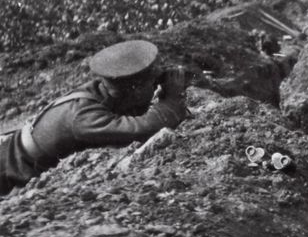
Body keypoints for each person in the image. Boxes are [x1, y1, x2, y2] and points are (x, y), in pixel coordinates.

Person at [0, 39, 188, 195]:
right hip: (9, 170)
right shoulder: (83, 117)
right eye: (151, 84)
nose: (156, 86)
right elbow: (142, 128)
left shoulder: (105, 90)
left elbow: (133, 110)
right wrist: (172, 99)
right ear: (134, 90)